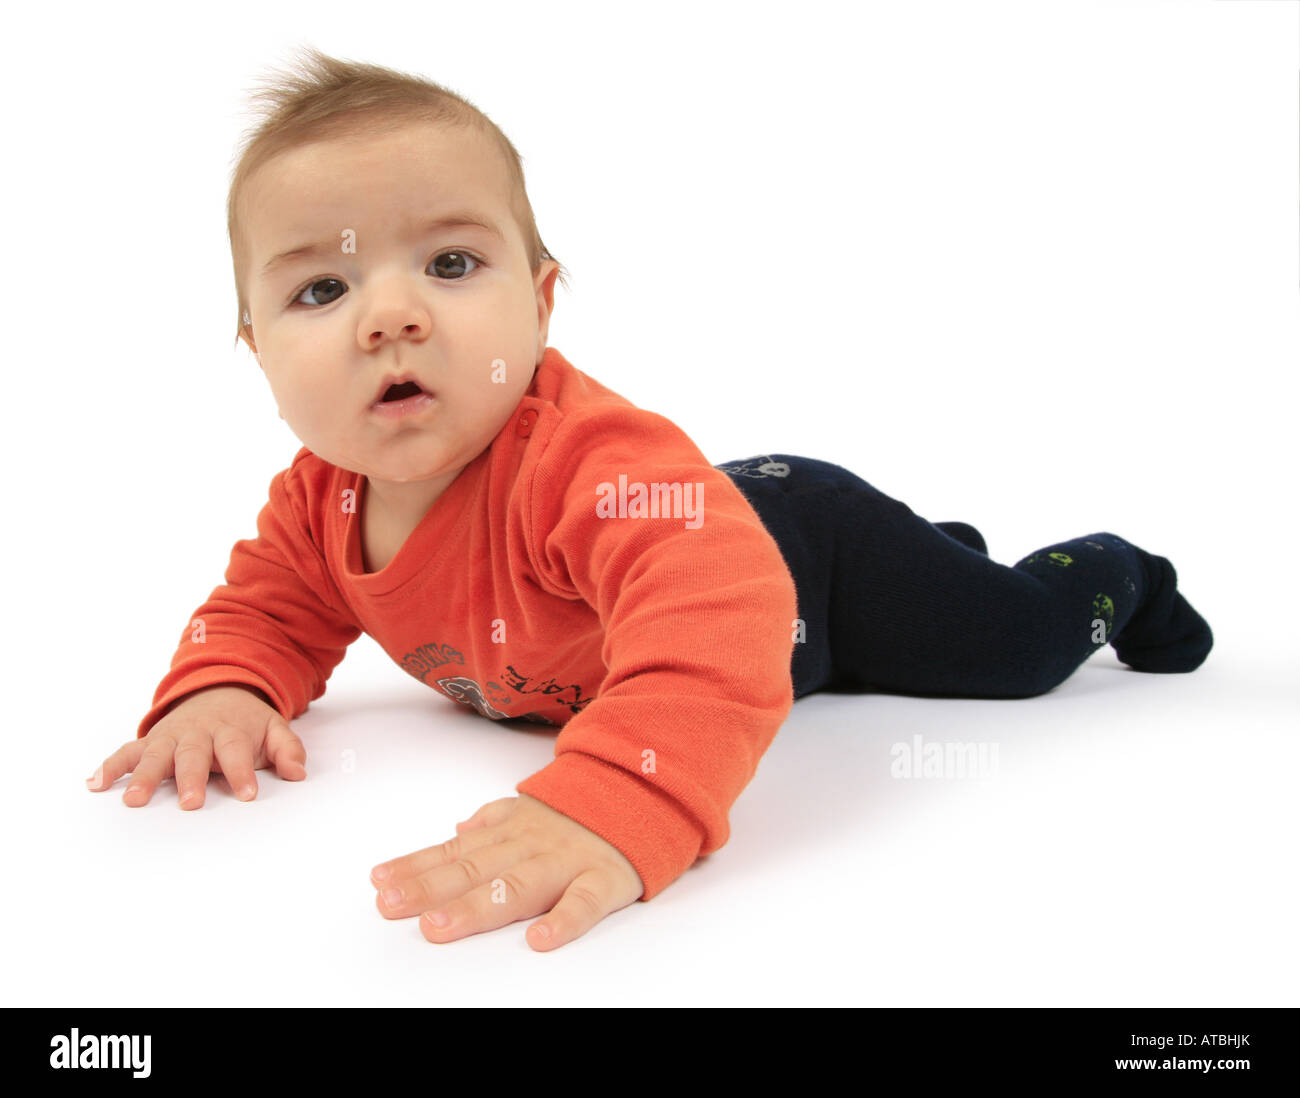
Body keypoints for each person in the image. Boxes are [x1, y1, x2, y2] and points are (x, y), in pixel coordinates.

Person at [85, 48, 1212, 952]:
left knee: (1006, 649)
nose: (389, 315)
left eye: (449, 265)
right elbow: (266, 609)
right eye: (322, 288)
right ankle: (939, 554)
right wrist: (223, 688)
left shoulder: (584, 464)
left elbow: (719, 606)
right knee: (886, 623)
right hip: (737, 545)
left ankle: (1108, 570)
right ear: (256, 349)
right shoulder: (318, 501)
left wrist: (618, 793)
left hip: (805, 560)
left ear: (539, 305)